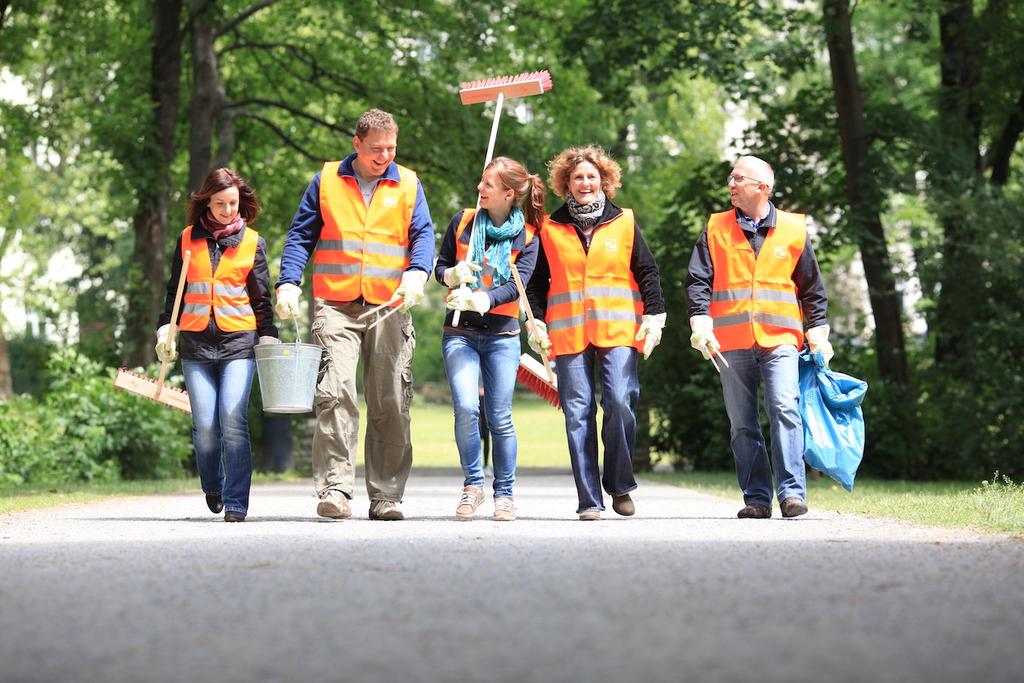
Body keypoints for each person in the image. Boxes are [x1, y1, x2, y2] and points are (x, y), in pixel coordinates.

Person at [275, 109, 434, 521]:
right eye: (377, 148)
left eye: (391, 148)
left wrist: (418, 274)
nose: (385, 156)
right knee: (335, 392)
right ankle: (336, 488)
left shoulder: (409, 183)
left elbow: (423, 235)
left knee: (391, 400)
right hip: (336, 305)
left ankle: (386, 495)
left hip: (390, 305)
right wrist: (288, 282)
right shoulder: (327, 180)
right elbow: (301, 234)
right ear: (357, 144)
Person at [685, 155, 831, 519]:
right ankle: (757, 498)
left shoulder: (794, 230)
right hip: (730, 341)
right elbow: (699, 280)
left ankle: (792, 494)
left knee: (784, 408)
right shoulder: (716, 227)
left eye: (738, 178)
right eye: (730, 178)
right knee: (741, 421)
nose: (730, 184)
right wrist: (700, 322)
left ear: (761, 188)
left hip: (780, 337)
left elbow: (812, 288)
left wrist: (818, 331)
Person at [525, 145, 666, 521]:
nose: (585, 182)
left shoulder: (624, 222)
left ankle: (619, 484)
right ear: (566, 184)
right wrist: (535, 320)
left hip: (618, 328)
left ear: (604, 180)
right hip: (568, 332)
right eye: (577, 177)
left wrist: (655, 314)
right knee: (577, 413)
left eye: (591, 176)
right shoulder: (550, 228)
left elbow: (647, 272)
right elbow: (536, 284)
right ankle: (589, 499)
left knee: (620, 401)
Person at [155, 167, 278, 523]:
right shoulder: (187, 239)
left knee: (233, 418)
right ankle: (214, 485)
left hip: (238, 341)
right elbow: (174, 291)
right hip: (195, 343)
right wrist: (166, 329)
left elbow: (261, 298)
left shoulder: (253, 242)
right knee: (206, 425)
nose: (228, 210)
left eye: (233, 203)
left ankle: (237, 502)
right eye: (221, 203)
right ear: (207, 201)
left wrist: (267, 334)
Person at [435, 157, 545, 522]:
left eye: (488, 185)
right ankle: (472, 485)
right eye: (481, 182)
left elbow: (518, 284)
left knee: (499, 416)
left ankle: (505, 494)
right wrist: (451, 274)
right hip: (460, 333)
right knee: (467, 407)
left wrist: (486, 298)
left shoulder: (527, 235)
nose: (480, 189)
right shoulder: (463, 222)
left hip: (502, 335)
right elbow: (440, 267)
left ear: (508, 194)